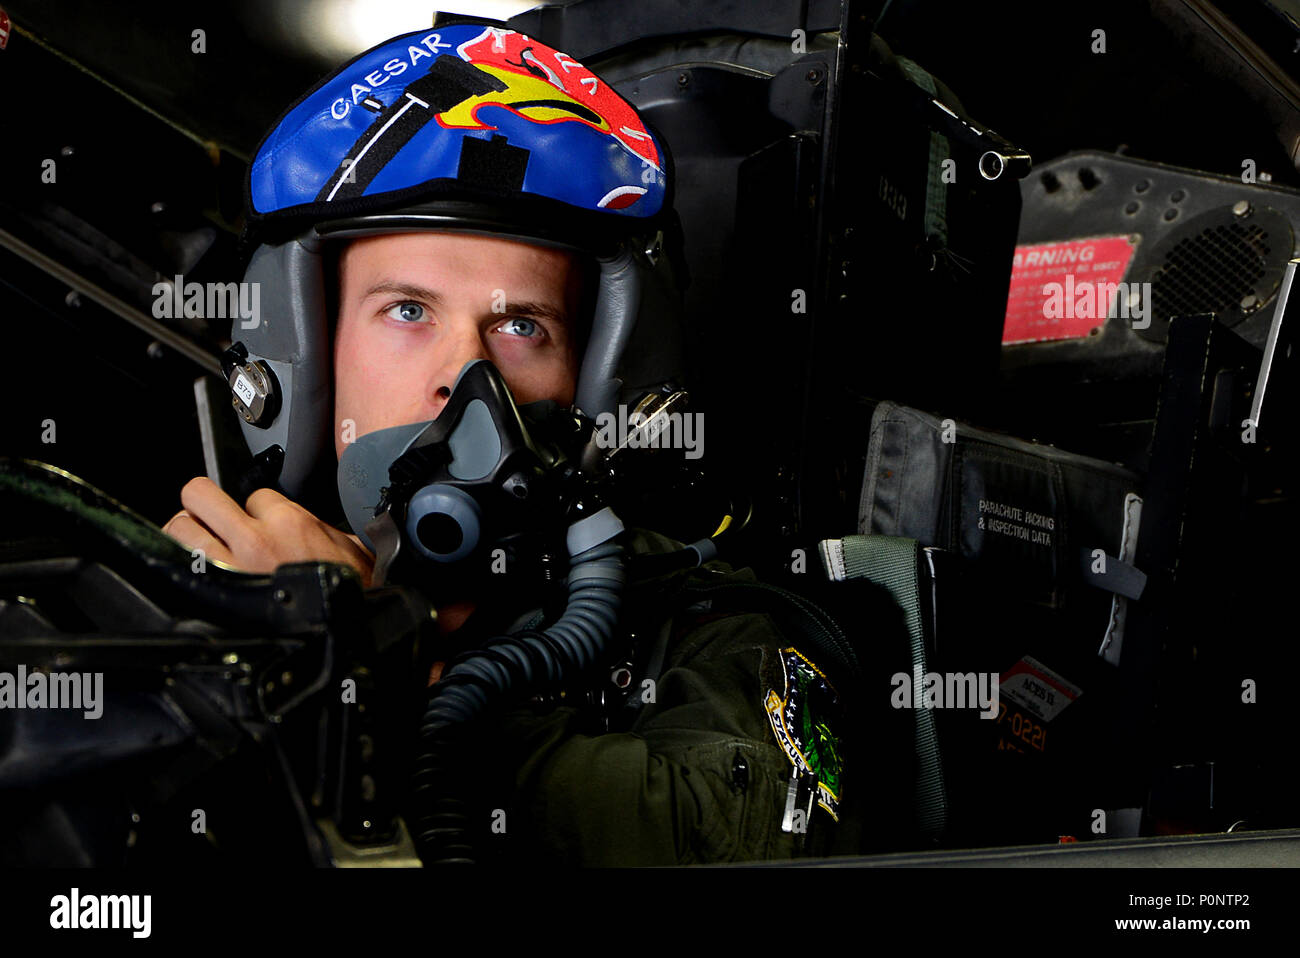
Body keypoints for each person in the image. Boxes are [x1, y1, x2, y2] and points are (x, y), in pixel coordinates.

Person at [162, 21, 862, 865]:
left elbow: (737, 834)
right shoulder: (195, 598)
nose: (465, 378)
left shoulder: (710, 633)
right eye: (408, 312)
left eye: (522, 325)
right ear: (308, 358)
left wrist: (367, 683)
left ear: (599, 382)